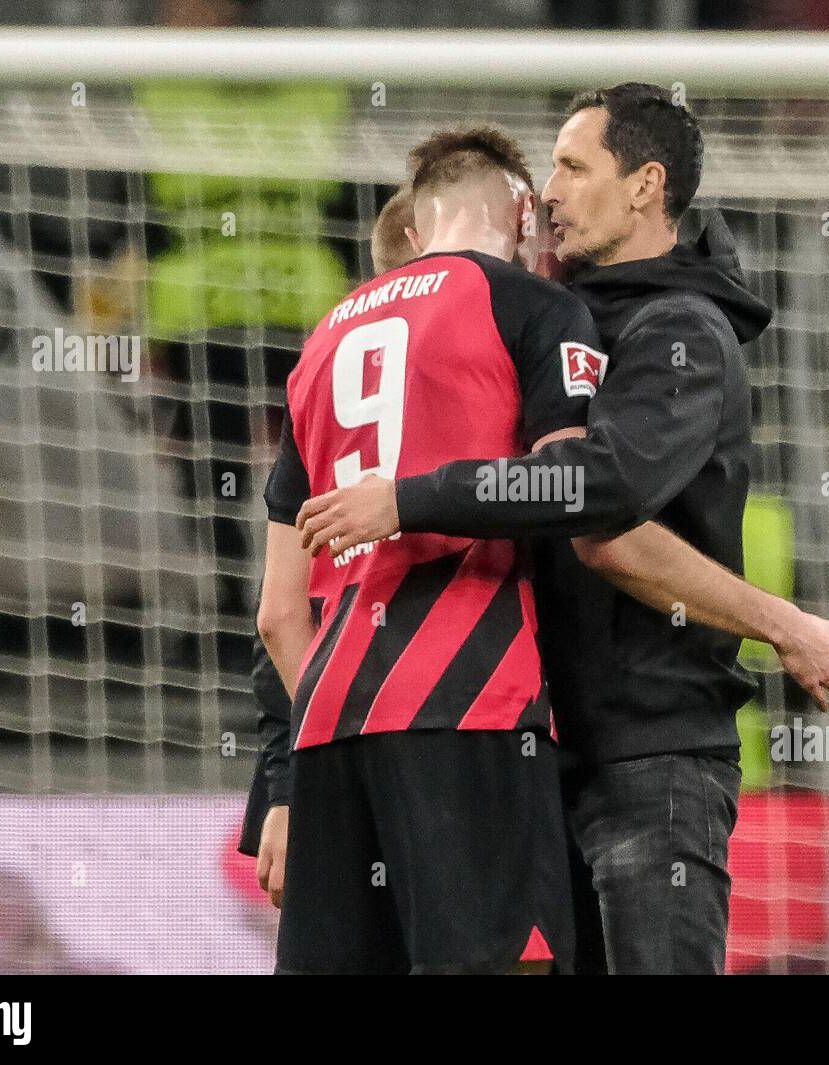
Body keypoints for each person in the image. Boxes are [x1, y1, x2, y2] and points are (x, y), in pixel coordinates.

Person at [295, 85, 829, 974]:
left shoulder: (678, 330)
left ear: (645, 185)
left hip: (653, 750)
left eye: (571, 166)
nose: (548, 192)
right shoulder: (537, 323)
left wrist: (786, 624)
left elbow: (601, 504)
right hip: (532, 742)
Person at [257, 129, 602, 973]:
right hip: (470, 701)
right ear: (524, 211)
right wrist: (415, 504)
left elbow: (276, 613)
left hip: (331, 718)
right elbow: (565, 485)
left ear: (413, 229)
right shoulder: (526, 302)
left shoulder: (322, 342)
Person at [238, 185, 416, 911]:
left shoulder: (326, 377)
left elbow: (287, 614)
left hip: (347, 747)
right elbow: (289, 612)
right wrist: (288, 783)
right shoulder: (362, 389)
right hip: (400, 749)